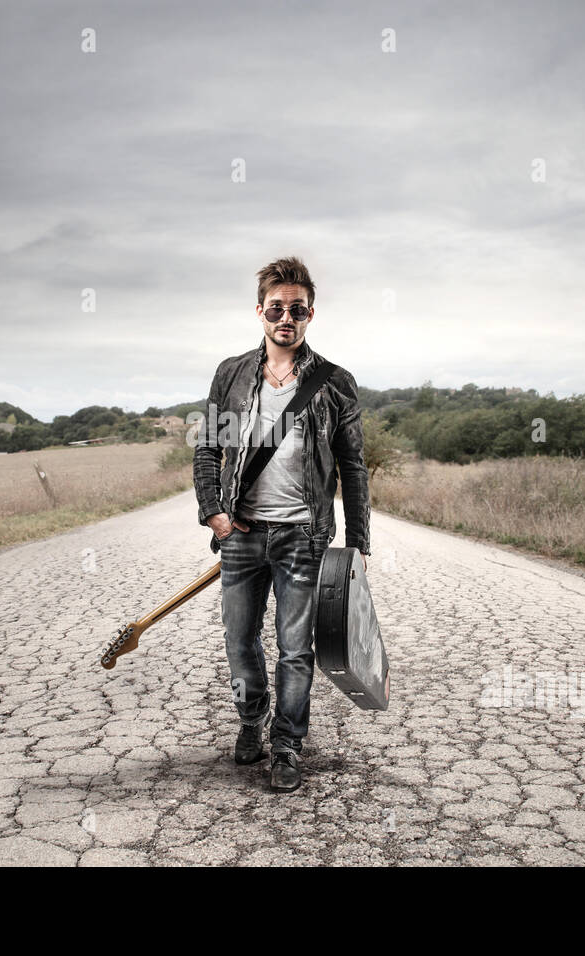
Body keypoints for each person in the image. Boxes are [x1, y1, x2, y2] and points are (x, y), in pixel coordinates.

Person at [193, 255, 371, 793]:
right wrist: (214, 512)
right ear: (260, 312)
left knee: (297, 647)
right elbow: (207, 447)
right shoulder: (232, 374)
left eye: (297, 309)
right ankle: (251, 719)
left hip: (303, 536)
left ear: (310, 314)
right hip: (242, 534)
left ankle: (288, 745)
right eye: (276, 309)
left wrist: (358, 541)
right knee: (239, 641)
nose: (285, 317)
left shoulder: (334, 383)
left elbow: (352, 465)